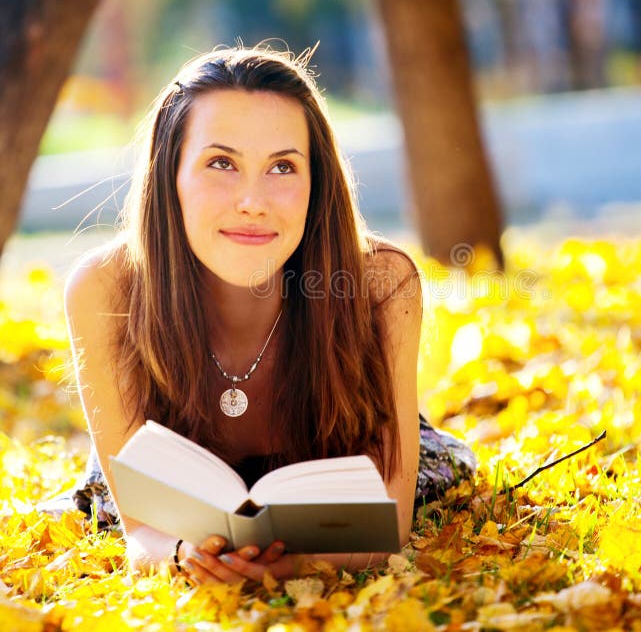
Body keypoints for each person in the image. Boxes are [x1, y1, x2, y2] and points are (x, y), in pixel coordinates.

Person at [38, 45, 476, 586]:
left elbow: (390, 521)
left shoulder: (382, 284)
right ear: (169, 175)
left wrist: (295, 564)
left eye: (282, 167)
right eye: (221, 163)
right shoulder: (105, 288)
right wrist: (183, 556)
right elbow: (141, 530)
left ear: (317, 183)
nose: (253, 200)